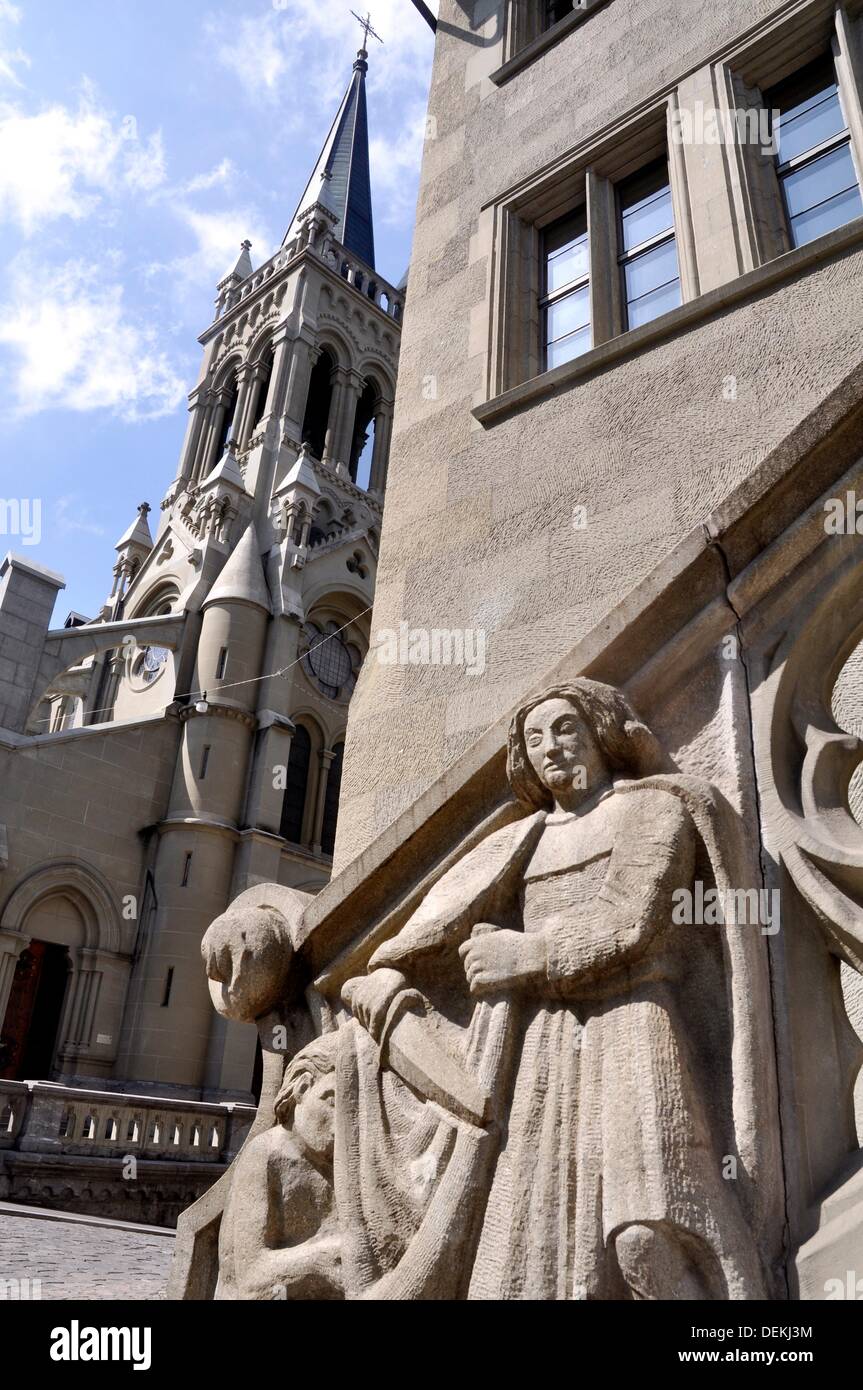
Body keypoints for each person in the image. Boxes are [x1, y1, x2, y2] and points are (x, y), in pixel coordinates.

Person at [339, 680, 777, 1299]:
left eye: (565, 728)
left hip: (632, 1025)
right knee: (534, 1250)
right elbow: (437, 924)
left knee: (646, 1235)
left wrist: (526, 954)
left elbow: (632, 922)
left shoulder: (653, 807)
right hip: (544, 1046)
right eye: (535, 738)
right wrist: (386, 971)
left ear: (599, 732)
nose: (550, 748)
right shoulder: (523, 839)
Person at [216, 1033, 342, 1300]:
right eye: (331, 1102)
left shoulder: (340, 1163)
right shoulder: (266, 1154)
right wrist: (320, 1258)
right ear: (303, 1088)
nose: (338, 1123)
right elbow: (251, 1276)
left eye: (349, 1110)